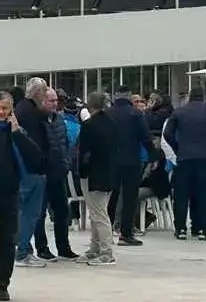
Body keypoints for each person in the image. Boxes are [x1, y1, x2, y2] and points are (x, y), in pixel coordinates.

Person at [0, 90, 41, 302]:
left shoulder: (16, 133)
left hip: (9, 193)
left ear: (11, 110)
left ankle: (3, 283)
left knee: (8, 242)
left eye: (5, 108)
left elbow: (36, 157)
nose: (0, 112)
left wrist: (17, 132)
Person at [163, 91, 206, 241]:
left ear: (188, 98)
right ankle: (200, 229)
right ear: (203, 98)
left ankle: (180, 228)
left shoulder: (179, 112)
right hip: (204, 157)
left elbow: (167, 134)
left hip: (184, 157)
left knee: (181, 195)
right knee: (200, 193)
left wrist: (177, 148)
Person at [33, 86, 77, 263]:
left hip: (59, 172)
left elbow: (65, 143)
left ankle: (64, 247)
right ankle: (42, 248)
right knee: (39, 213)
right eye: (50, 101)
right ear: (42, 101)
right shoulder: (37, 120)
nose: (54, 104)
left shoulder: (59, 120)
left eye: (56, 101)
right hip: (43, 173)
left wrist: (66, 162)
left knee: (62, 211)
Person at [13, 78, 53, 267]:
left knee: (24, 212)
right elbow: (35, 145)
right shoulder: (32, 114)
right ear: (38, 93)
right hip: (31, 169)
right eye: (44, 92)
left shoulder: (21, 110)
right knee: (30, 213)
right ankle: (22, 251)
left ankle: (23, 248)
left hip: (25, 169)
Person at [76, 91, 118, 265]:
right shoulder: (112, 124)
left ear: (89, 106)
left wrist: (81, 171)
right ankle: (95, 247)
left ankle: (107, 251)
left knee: (99, 214)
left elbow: (83, 152)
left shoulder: (89, 126)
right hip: (110, 172)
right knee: (98, 212)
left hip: (93, 174)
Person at [107, 90, 150, 247]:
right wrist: (153, 154)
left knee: (111, 197)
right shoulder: (135, 114)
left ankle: (106, 232)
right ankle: (126, 234)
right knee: (129, 198)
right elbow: (145, 136)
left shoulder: (108, 113)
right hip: (131, 161)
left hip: (112, 161)